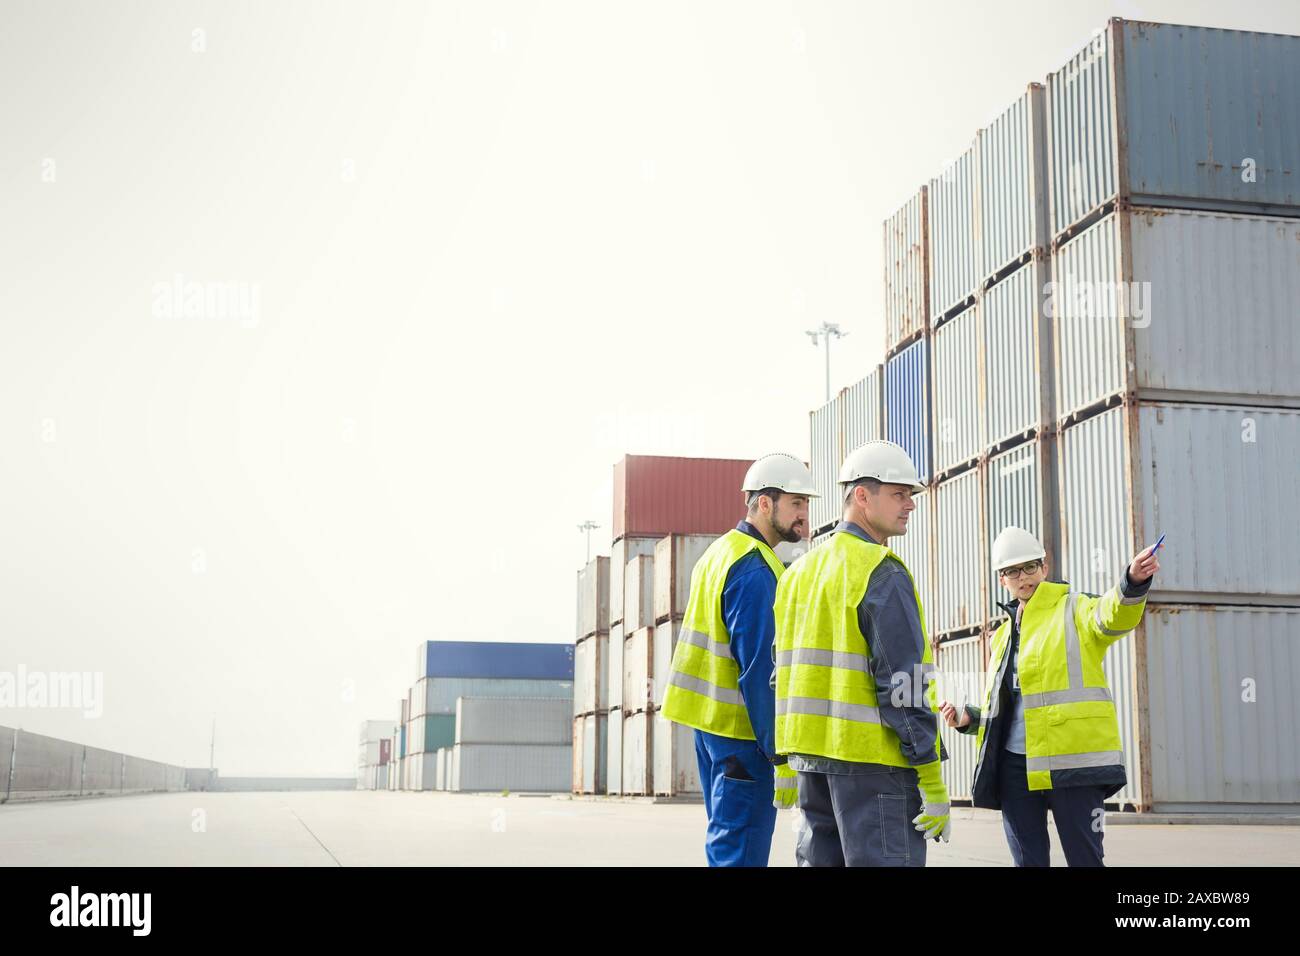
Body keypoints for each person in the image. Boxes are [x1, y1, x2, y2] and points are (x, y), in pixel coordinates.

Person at [940, 525, 1159, 866]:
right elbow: (1004, 708)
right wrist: (969, 718)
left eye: (1030, 567)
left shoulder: (1074, 608)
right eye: (1013, 571)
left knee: (1085, 858)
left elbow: (1112, 616)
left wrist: (1132, 582)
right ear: (1002, 579)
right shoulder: (1001, 637)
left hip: (1072, 763)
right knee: (1027, 861)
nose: (1023, 577)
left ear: (1044, 567)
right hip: (1015, 767)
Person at [773, 440, 949, 867]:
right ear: (862, 496)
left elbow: (780, 677)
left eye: (911, 496)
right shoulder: (881, 571)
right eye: (899, 494)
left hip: (812, 766)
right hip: (876, 767)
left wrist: (783, 762)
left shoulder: (797, 574)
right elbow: (904, 683)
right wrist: (931, 776)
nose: (910, 505)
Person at [660, 453, 816, 866]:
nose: (805, 515)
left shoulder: (718, 553)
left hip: (710, 730)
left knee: (727, 843)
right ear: (765, 503)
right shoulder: (754, 570)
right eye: (796, 504)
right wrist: (780, 755)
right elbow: (761, 673)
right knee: (740, 852)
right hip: (744, 738)